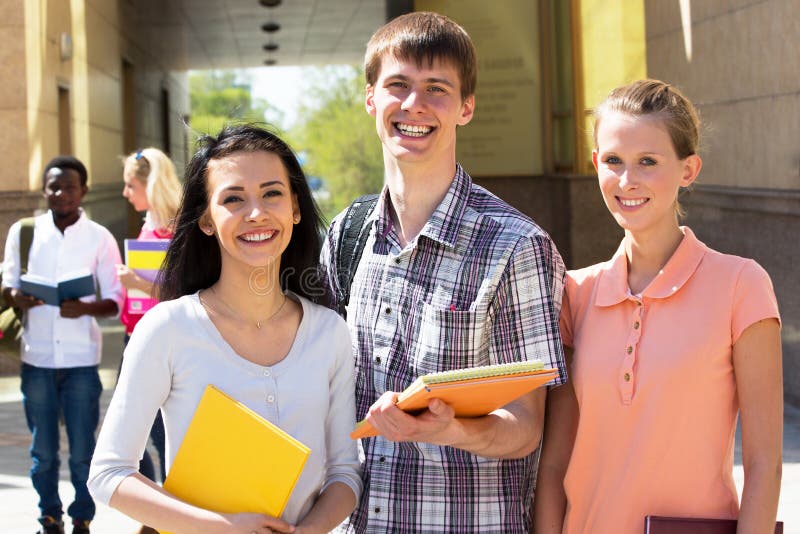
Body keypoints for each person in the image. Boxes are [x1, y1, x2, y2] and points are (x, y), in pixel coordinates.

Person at [320, 12, 567, 533]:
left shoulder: (517, 246)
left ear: (466, 107)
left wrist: (449, 429)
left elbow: (525, 428)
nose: (415, 105)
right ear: (370, 99)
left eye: (437, 89)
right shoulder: (348, 233)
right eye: (398, 86)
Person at [534, 79, 783, 533]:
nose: (627, 181)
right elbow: (554, 463)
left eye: (648, 162)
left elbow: (765, 463)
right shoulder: (574, 292)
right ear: (595, 164)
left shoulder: (741, 286)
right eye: (613, 161)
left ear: (689, 170)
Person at [88, 125, 362, 534]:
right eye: (233, 199)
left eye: (272, 194)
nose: (256, 213)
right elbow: (109, 474)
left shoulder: (330, 333)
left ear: (296, 209)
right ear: (206, 221)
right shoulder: (167, 329)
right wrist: (223, 526)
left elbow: (346, 473)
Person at [2, 156, 125, 534]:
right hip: (36, 357)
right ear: (44, 189)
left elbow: (116, 299)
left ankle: (82, 518)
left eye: (69, 187)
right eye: (54, 186)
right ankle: (49, 516)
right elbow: (6, 284)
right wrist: (16, 295)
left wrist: (83, 308)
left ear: (83, 191)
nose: (61, 194)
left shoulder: (99, 238)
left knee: (84, 451)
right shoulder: (24, 232)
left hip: (81, 361)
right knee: (43, 451)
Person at [116, 147, 182, 485]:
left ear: (149, 184)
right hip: (137, 333)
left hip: (163, 342)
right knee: (133, 431)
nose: (125, 193)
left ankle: (168, 513)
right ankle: (155, 509)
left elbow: (179, 291)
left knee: (160, 433)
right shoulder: (151, 224)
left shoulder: (174, 229)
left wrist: (135, 281)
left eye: (130, 185)